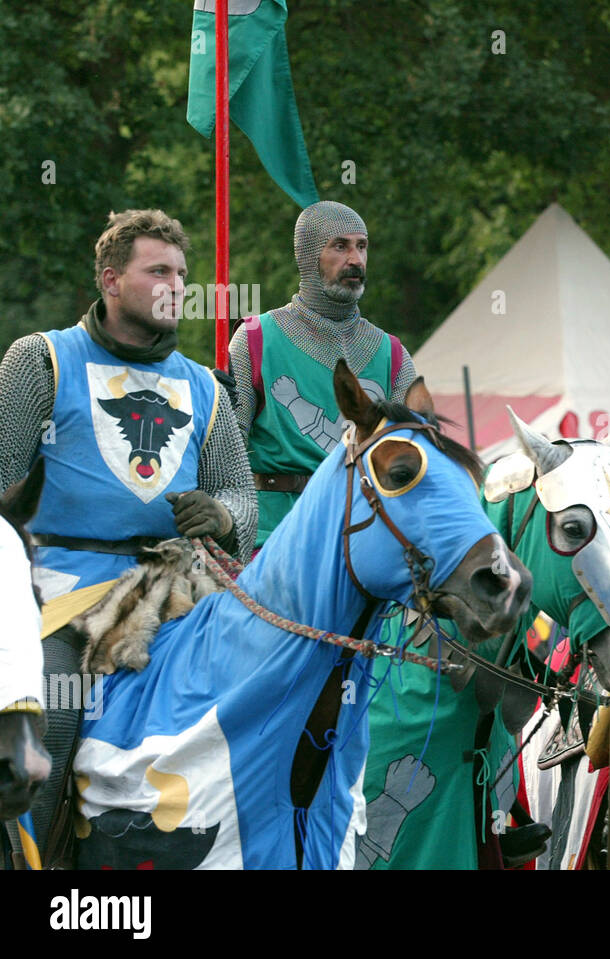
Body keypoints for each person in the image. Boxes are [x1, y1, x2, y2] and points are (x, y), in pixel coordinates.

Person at [0, 208, 256, 862]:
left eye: (182, 272)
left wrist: (222, 516)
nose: (176, 284)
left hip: (176, 592)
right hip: (60, 587)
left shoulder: (205, 387)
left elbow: (241, 495)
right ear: (112, 280)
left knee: (256, 698)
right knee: (48, 717)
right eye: (158, 271)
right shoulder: (43, 360)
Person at [228, 200, 433, 548]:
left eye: (362, 246)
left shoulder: (391, 353)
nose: (355, 259)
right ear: (309, 257)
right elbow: (226, 455)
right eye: (340, 246)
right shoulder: (256, 339)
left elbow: (413, 457)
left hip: (362, 533)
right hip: (274, 534)